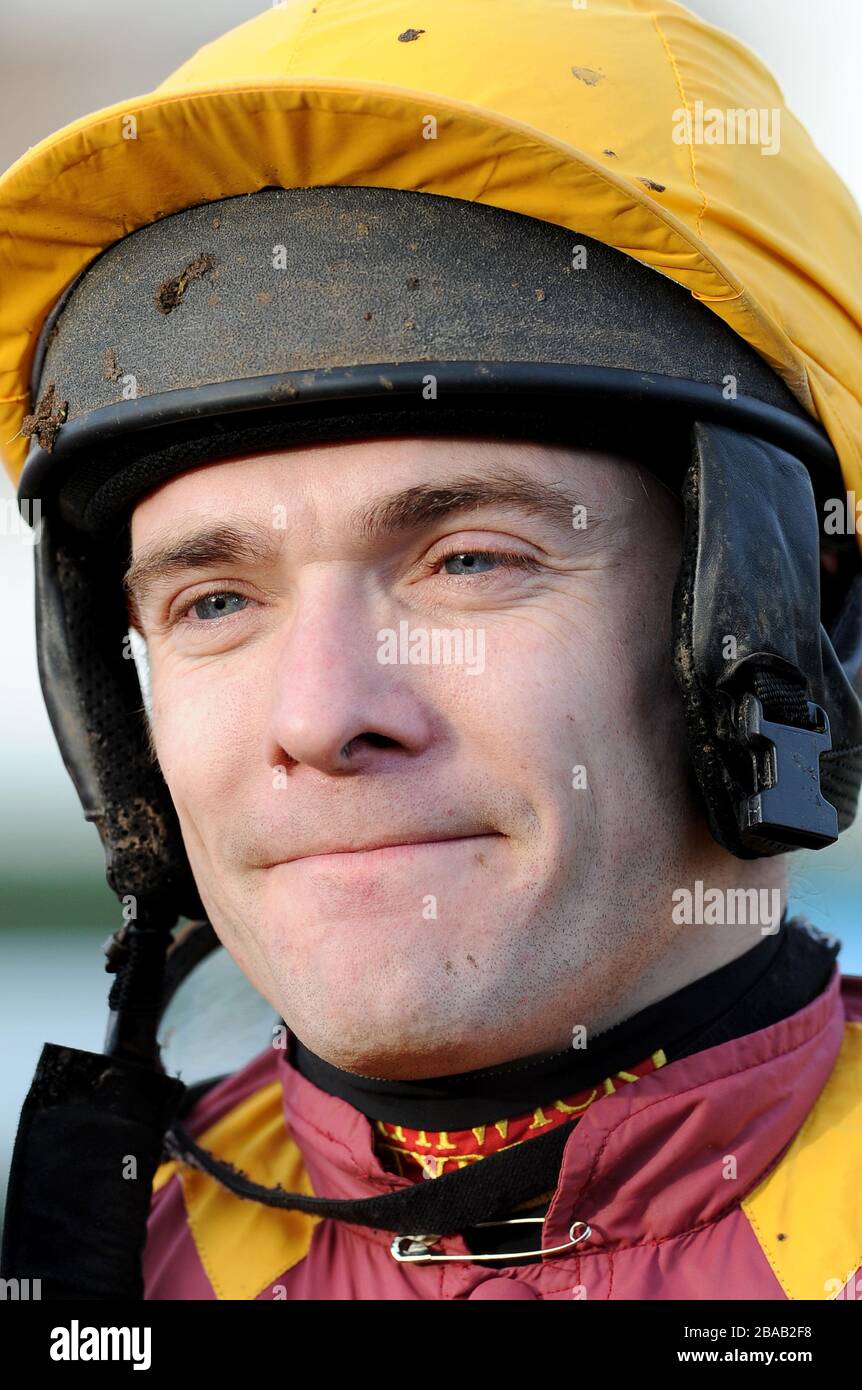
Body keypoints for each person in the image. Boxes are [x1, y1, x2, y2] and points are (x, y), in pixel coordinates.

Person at [1, 0, 861, 1302]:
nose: (319, 711)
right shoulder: (88, 1273)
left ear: (781, 624)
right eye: (214, 600)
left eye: (468, 559)